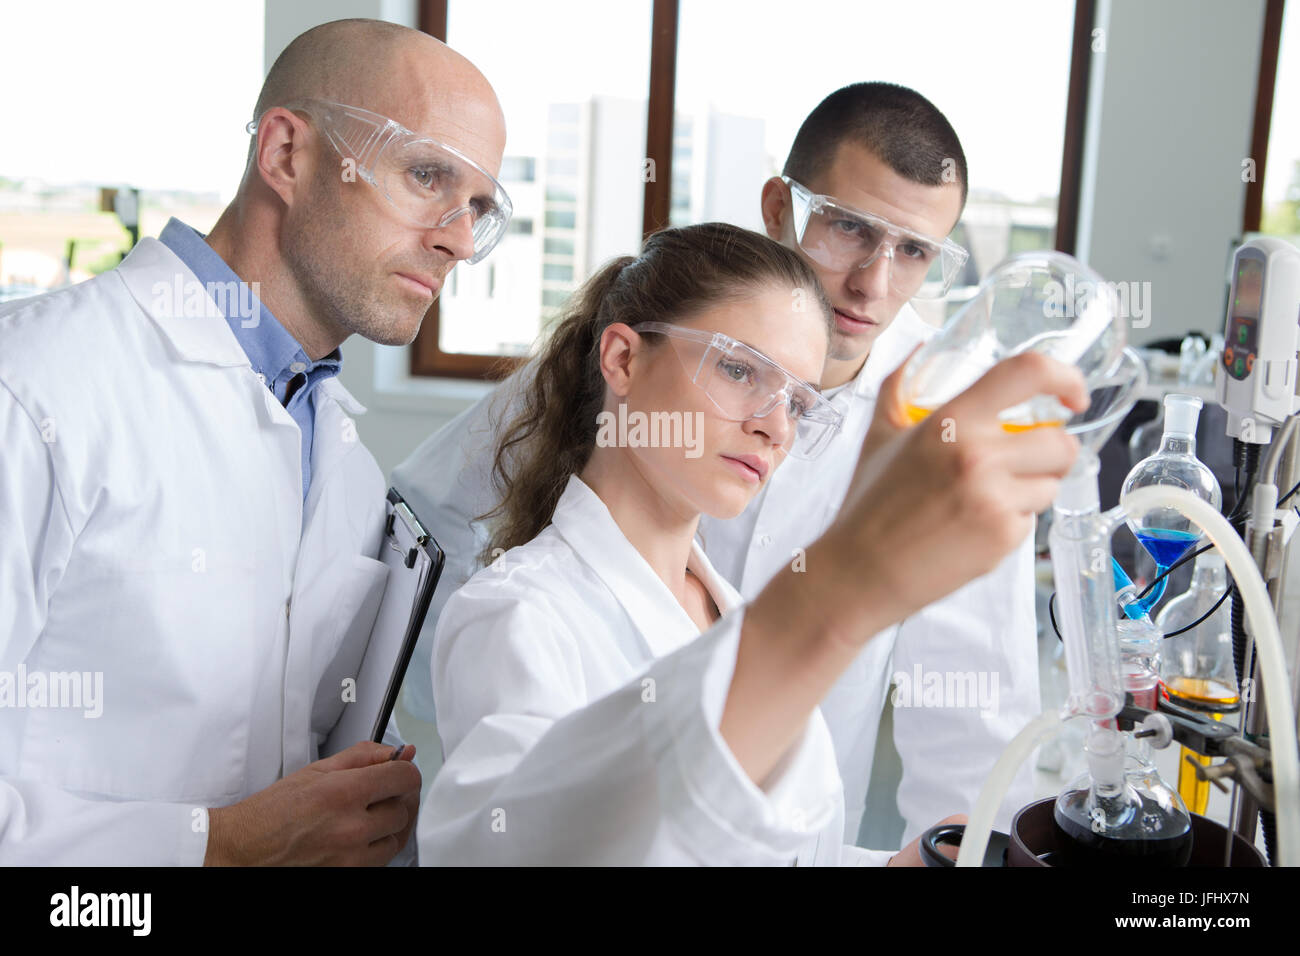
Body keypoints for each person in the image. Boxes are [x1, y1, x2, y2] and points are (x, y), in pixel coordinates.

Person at [394, 82, 1039, 844]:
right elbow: (429, 522)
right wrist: (474, 698)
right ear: (779, 207)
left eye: (915, 251)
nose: (875, 282)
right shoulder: (525, 617)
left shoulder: (944, 426)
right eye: (846, 229)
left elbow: (975, 725)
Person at [0, 19, 506, 864]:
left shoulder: (340, 459)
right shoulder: (37, 387)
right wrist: (216, 846)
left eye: (479, 208)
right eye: (427, 176)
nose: (457, 237)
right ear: (286, 156)